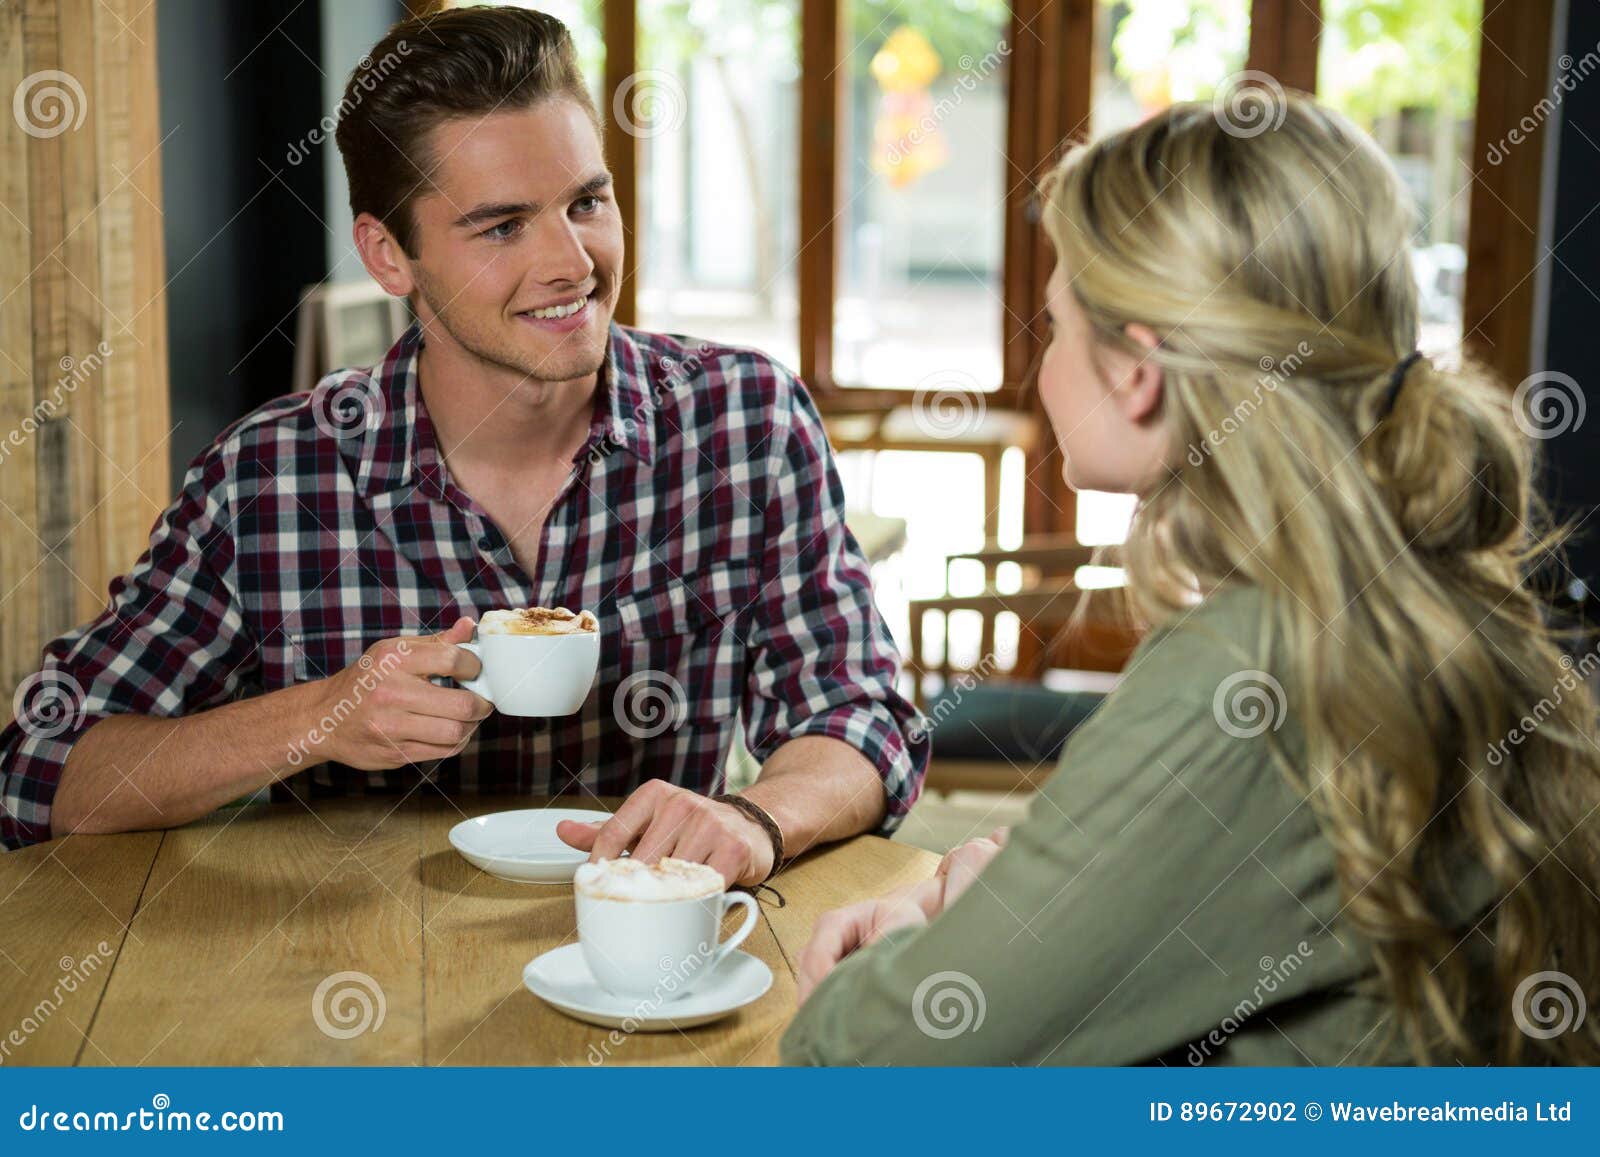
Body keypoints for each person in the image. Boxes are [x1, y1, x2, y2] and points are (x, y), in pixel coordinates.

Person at [0, 6, 927, 884]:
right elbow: (41, 767)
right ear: (388, 254)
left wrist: (756, 817)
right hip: (334, 986)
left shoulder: (744, 421)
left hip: (646, 963)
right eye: (502, 225)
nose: (571, 261)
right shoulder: (271, 476)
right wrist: (316, 718)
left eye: (587, 201)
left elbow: (859, 715)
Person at [782, 92, 1600, 1065]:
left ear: (1136, 369)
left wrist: (919, 949)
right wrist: (1027, 906)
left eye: (1050, 326)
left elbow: (864, 1059)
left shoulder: (1248, 670)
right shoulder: (1412, 599)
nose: (1042, 367)